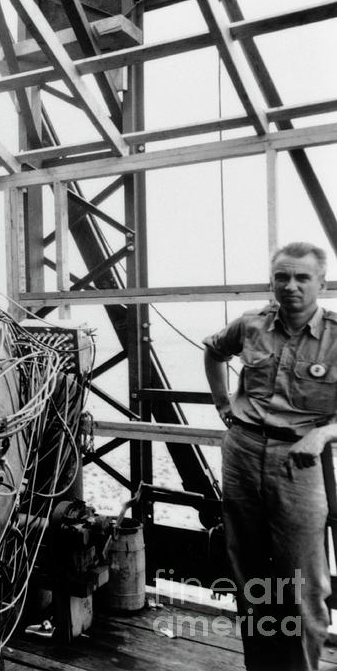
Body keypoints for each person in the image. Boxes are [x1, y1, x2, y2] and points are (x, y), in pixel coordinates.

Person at [203, 241, 337, 671]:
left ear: (322, 283)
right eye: (282, 276)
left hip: (298, 461)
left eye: (302, 277)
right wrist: (222, 402)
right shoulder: (251, 324)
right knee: (250, 573)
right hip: (242, 452)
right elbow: (214, 350)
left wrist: (322, 435)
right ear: (272, 281)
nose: (291, 286)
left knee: (303, 580)